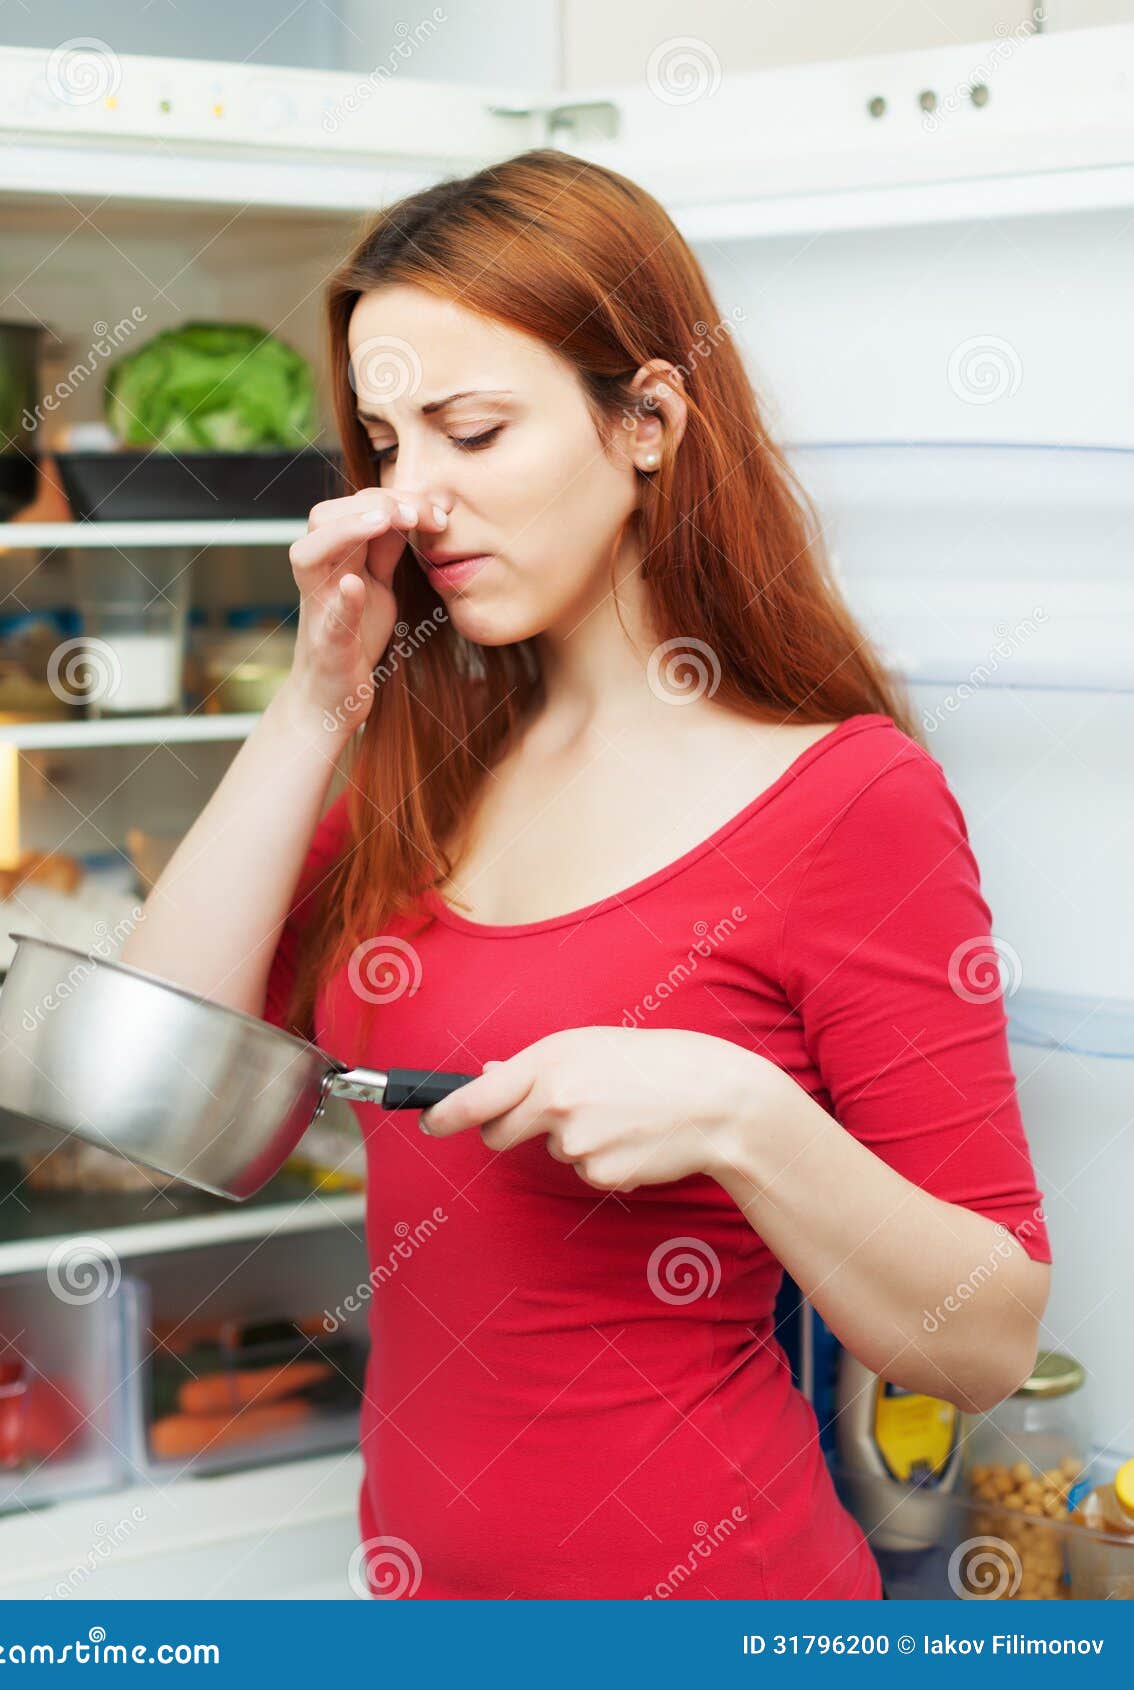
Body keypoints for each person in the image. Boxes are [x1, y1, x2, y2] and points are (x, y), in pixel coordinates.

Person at [123, 149, 1052, 1600]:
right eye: (383, 441)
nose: (412, 499)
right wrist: (313, 703)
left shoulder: (848, 797)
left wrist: (741, 1116)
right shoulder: (414, 761)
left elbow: (981, 1335)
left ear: (646, 421)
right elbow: (150, 1093)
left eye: (471, 431)